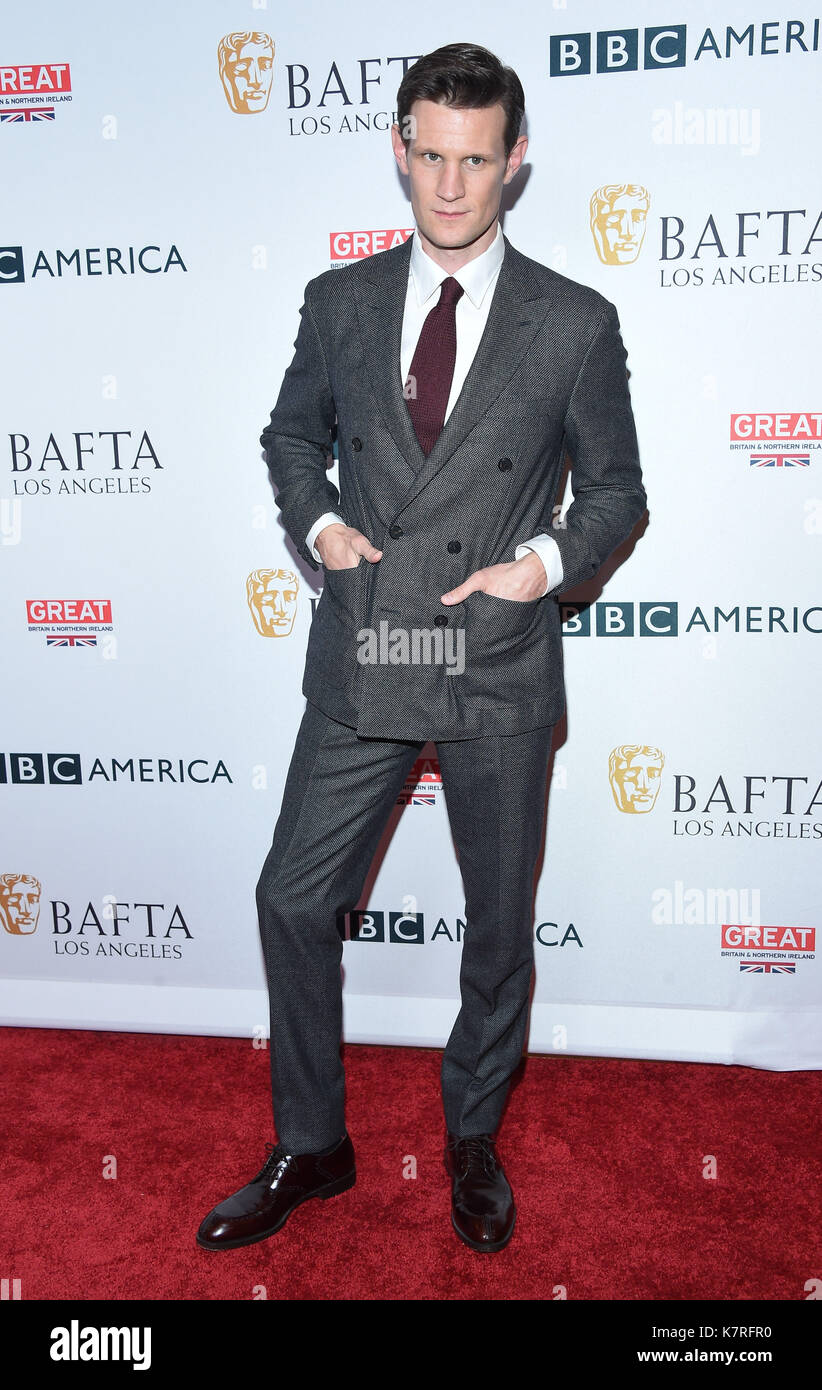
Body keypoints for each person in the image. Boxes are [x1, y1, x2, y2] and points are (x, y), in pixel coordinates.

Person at [197, 41, 646, 1255]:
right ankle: (315, 1143)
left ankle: (472, 1136)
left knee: (498, 928)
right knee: (293, 896)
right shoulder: (338, 303)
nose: (451, 189)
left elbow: (615, 493)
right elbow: (290, 438)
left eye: (477, 162)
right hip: (368, 644)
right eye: (431, 158)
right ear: (398, 148)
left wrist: (542, 570)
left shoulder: (575, 321)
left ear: (517, 162)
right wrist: (324, 522)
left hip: (495, 656)